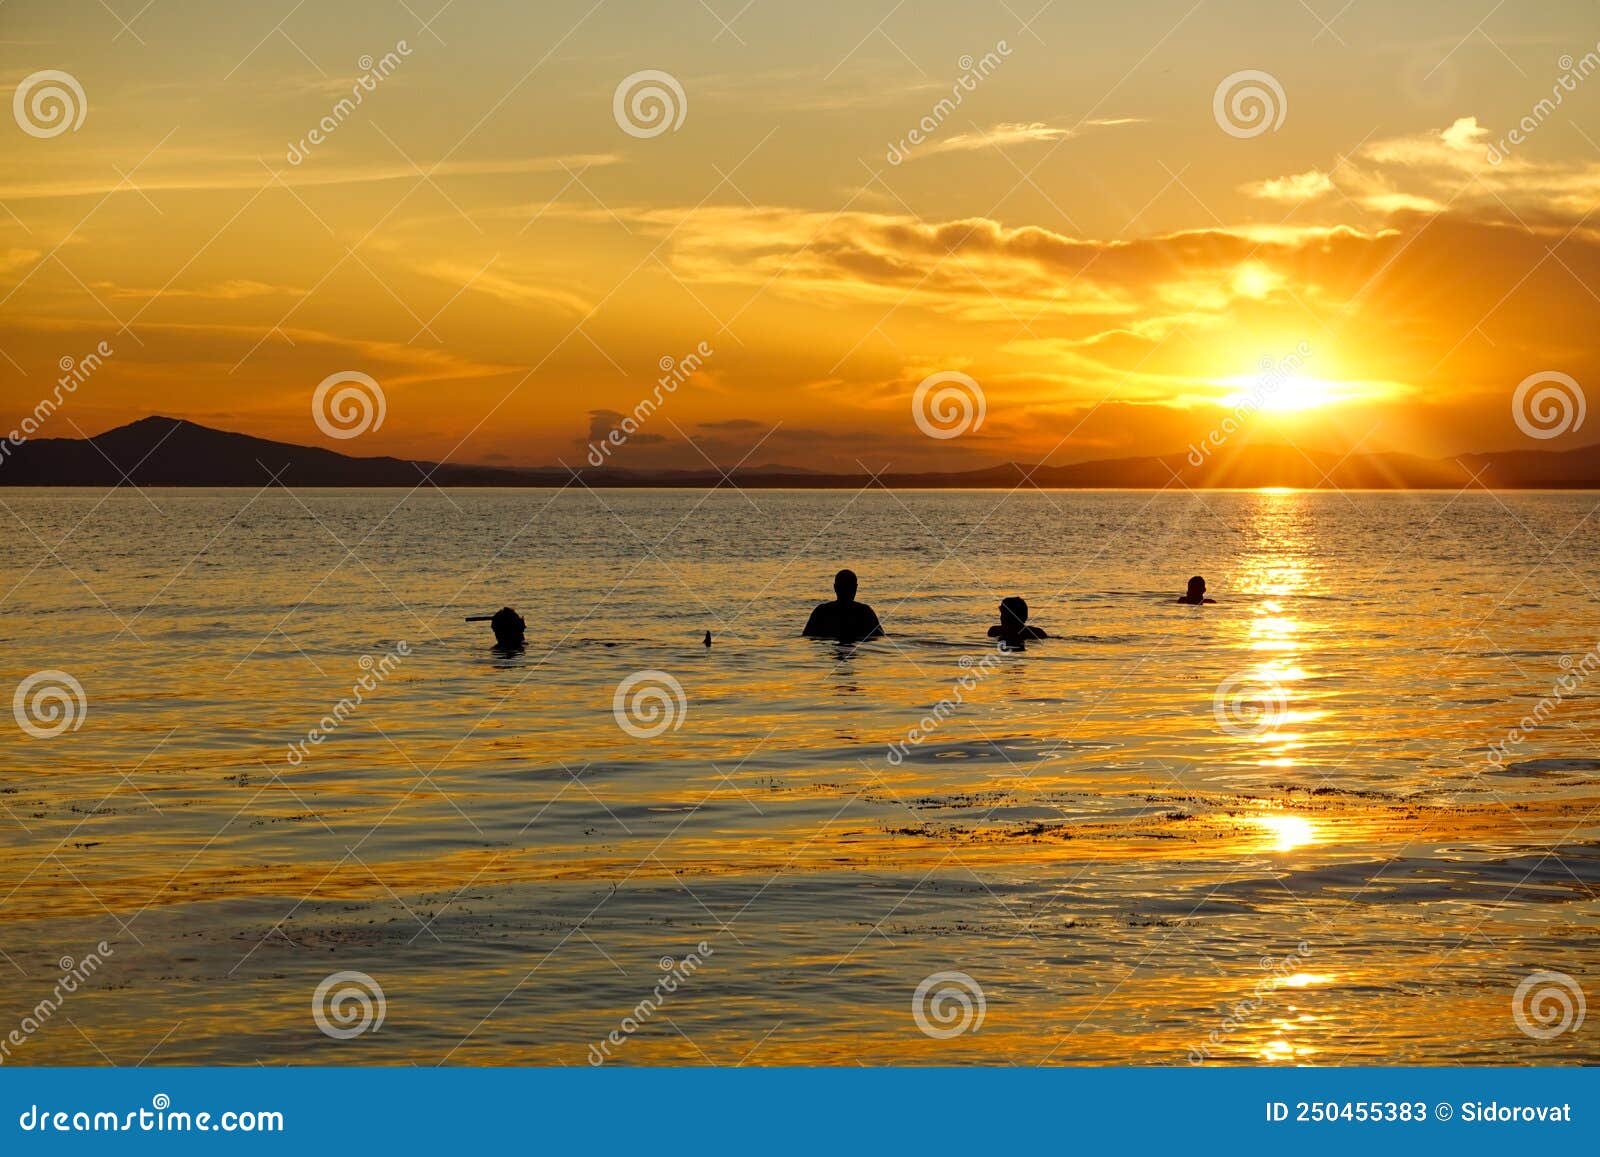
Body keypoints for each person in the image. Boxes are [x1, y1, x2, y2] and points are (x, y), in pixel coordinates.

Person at [802, 569, 884, 641]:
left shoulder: (821, 610)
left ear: (835, 587)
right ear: (855, 588)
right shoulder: (865, 611)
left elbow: (807, 636)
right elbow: (879, 636)